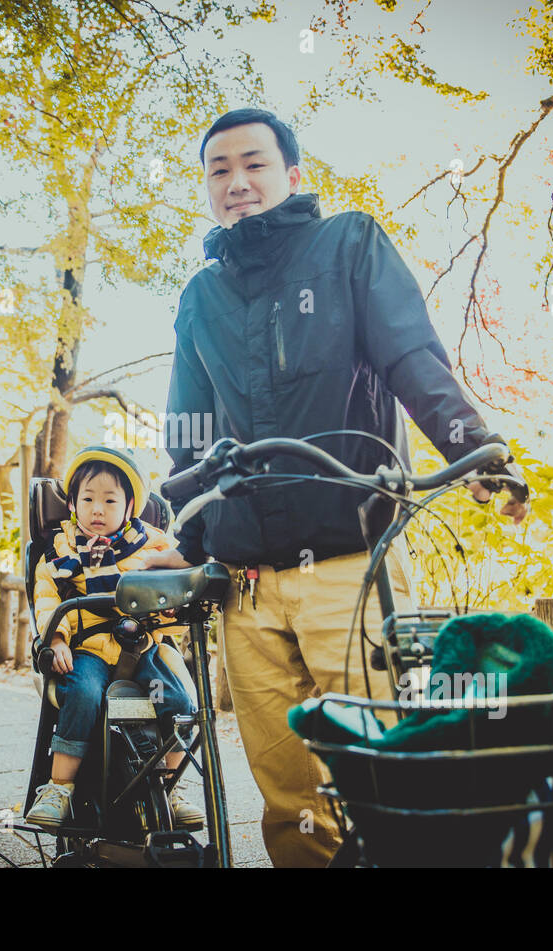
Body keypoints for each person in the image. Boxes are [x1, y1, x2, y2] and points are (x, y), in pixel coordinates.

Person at [144, 109, 531, 867]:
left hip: (352, 565)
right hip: (246, 584)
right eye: (219, 170)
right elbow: (186, 432)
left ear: (291, 175)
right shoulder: (201, 297)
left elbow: (412, 355)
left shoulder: (347, 244)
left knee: (380, 772)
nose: (237, 182)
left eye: (253, 163)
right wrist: (186, 540)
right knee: (290, 801)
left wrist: (475, 446)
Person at [24, 446, 203, 830]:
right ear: (72, 503)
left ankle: (170, 787)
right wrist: (54, 638)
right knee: (84, 694)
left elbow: (175, 588)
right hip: (86, 647)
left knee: (179, 700)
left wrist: (169, 610)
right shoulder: (61, 549)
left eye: (109, 500)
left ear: (131, 506)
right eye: (87, 499)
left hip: (142, 646)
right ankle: (58, 788)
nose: (97, 510)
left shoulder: (153, 546)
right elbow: (46, 597)